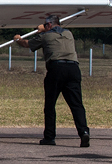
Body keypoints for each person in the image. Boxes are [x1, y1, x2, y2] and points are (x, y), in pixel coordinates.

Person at [14, 15, 90, 148]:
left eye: (45, 25)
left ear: (49, 25)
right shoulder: (69, 34)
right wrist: (43, 30)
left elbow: (27, 44)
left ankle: (49, 137)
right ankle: (83, 132)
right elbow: (53, 34)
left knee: (50, 105)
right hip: (73, 68)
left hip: (56, 68)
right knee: (77, 104)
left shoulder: (45, 36)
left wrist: (17, 39)